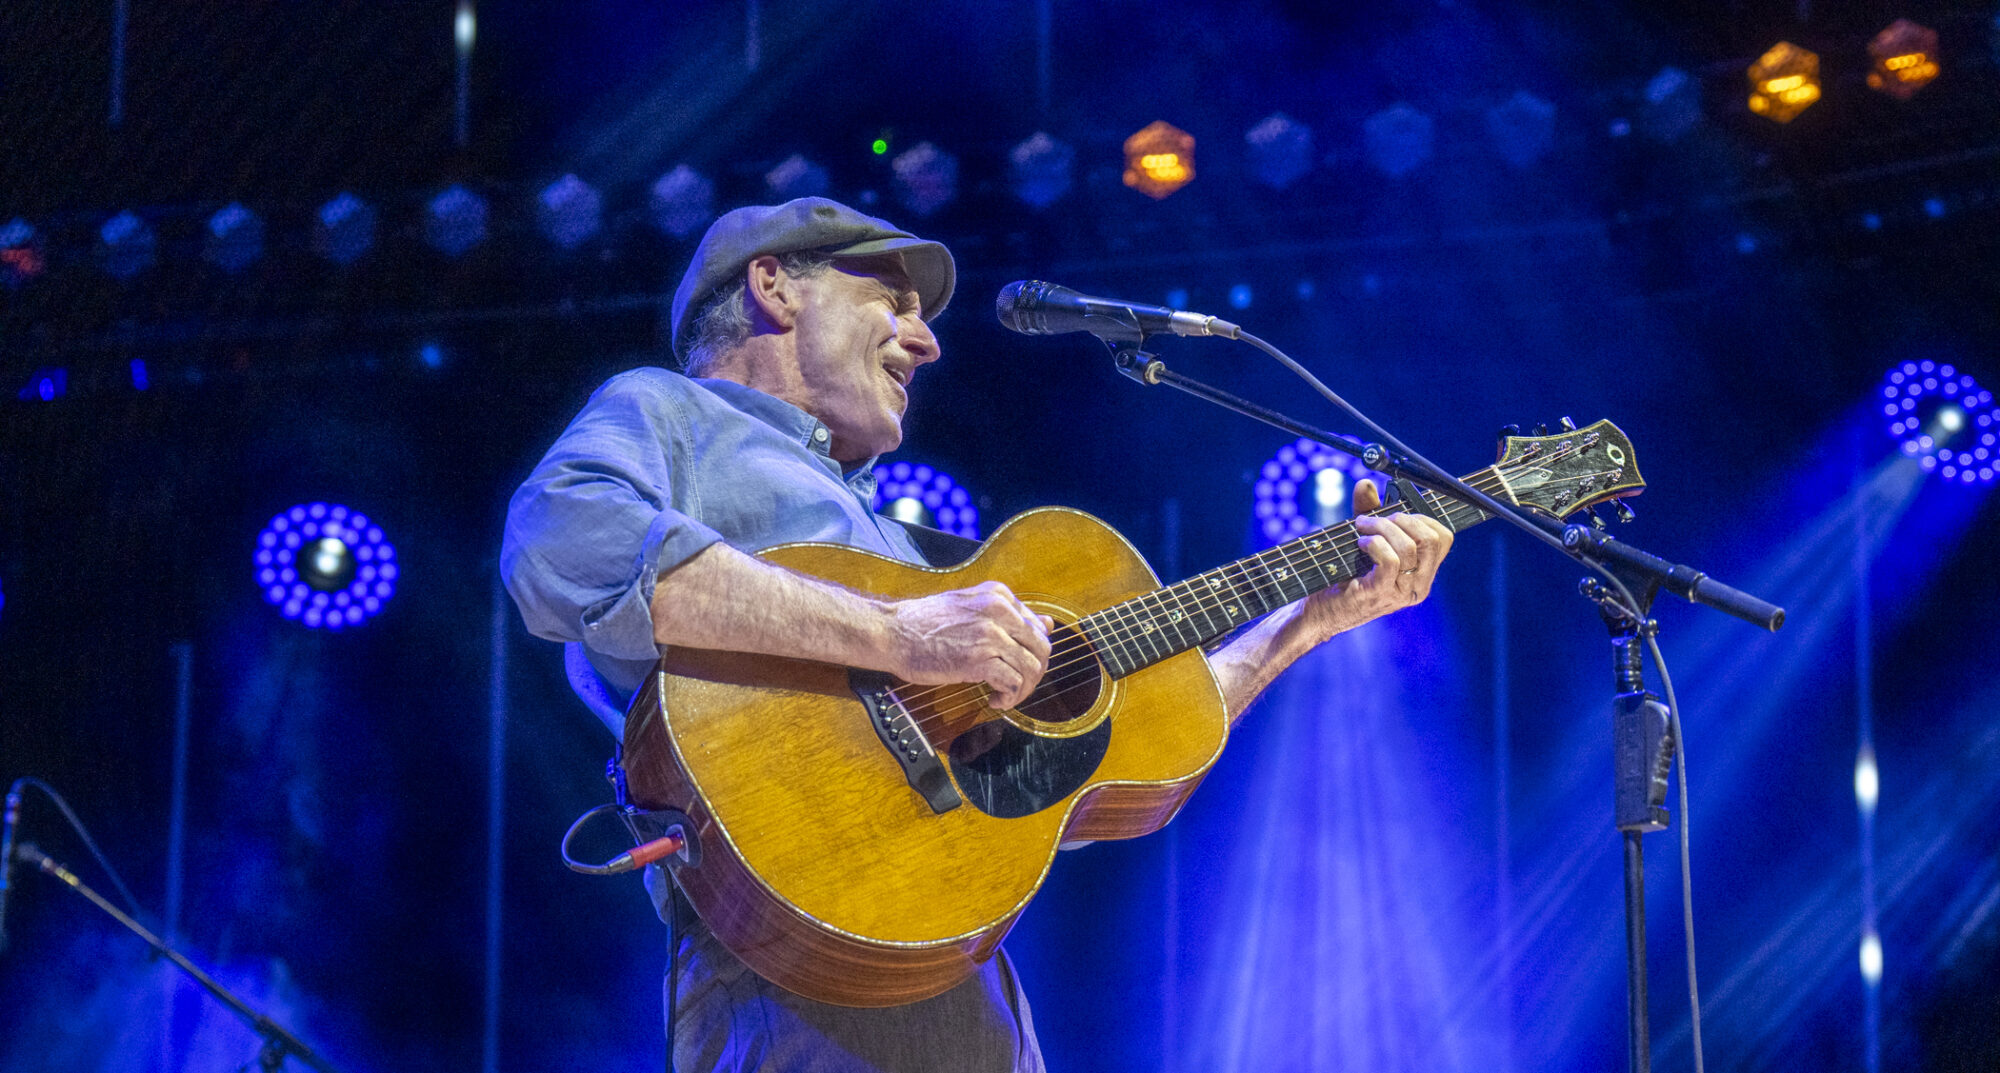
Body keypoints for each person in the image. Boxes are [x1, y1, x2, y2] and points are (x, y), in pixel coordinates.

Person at [499, 197, 1454, 1073]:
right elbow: (561, 541)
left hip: (956, 964)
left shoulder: (900, 543)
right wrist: (901, 633)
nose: (926, 343)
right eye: (894, 299)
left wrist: (1307, 621)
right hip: (791, 974)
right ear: (773, 285)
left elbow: (1129, 752)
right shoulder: (669, 412)